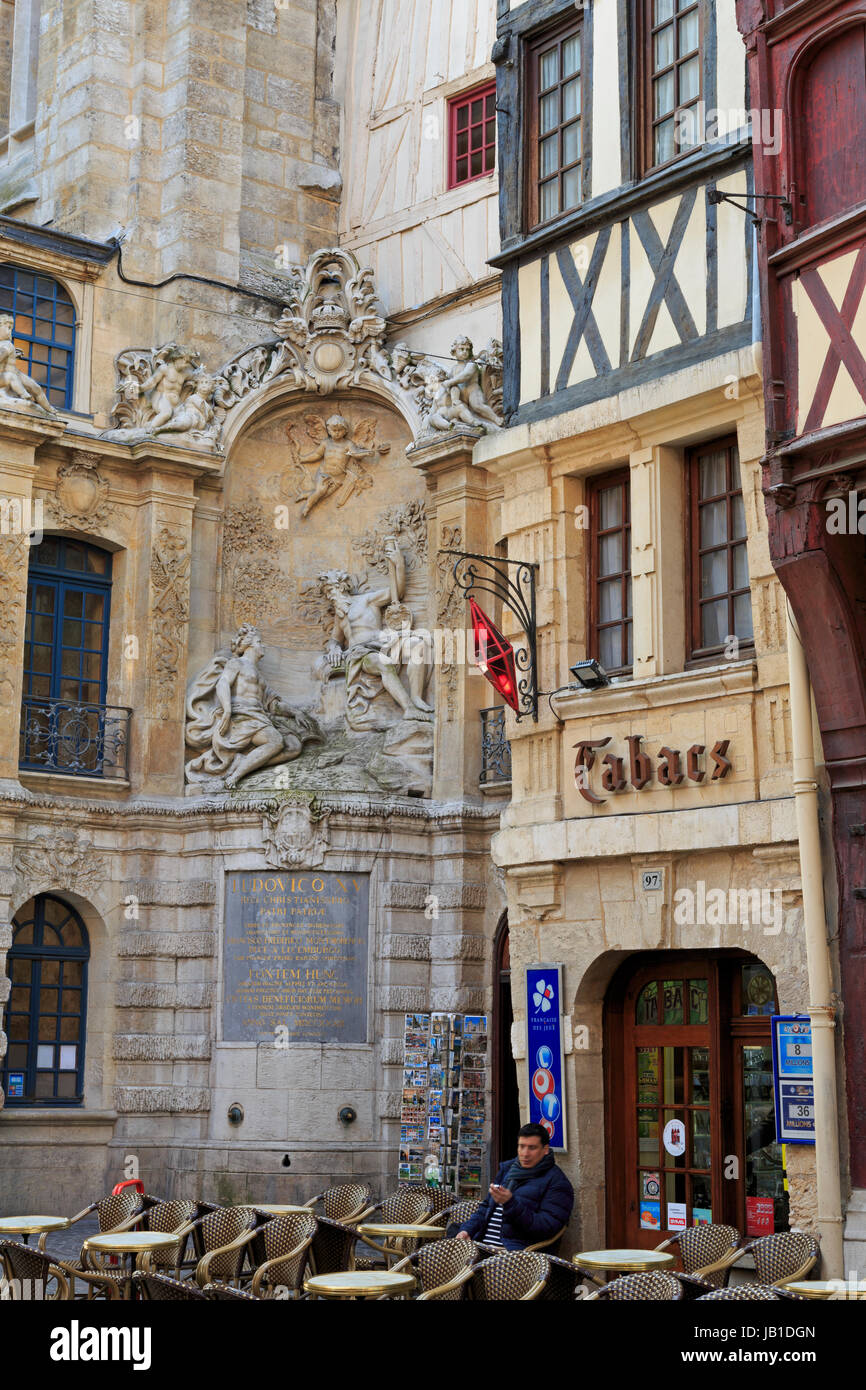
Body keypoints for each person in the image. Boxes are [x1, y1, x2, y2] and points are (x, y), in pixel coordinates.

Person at [454, 1123, 574, 1252]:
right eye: (521, 1146)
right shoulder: (509, 1169)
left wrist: (510, 1203)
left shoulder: (557, 1183)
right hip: (482, 1245)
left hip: (514, 1255)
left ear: (545, 1149)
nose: (525, 1153)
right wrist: (467, 1230)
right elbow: (485, 1208)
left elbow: (545, 1228)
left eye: (532, 1148)